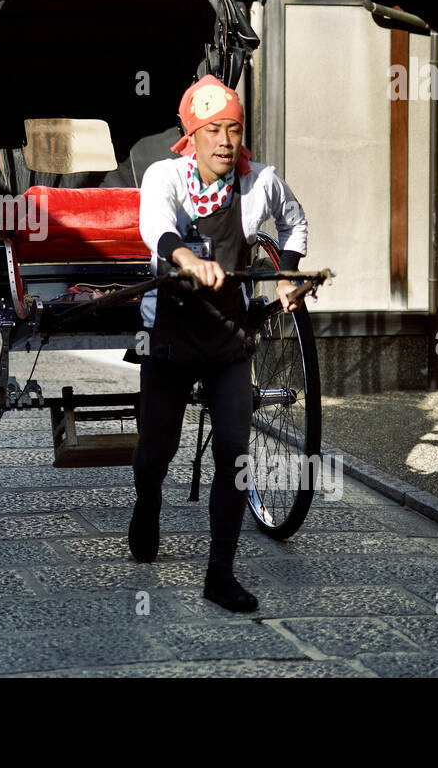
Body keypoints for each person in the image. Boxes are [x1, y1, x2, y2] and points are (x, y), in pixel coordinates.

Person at [133, 73, 308, 612]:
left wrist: (287, 273)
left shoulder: (260, 183)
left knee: (235, 452)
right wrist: (188, 259)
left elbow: (294, 222)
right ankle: (147, 502)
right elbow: (156, 227)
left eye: (233, 129)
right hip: (168, 332)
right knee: (157, 446)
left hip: (231, 335)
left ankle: (220, 573)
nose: (226, 141)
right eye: (214, 130)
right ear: (192, 136)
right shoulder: (166, 176)